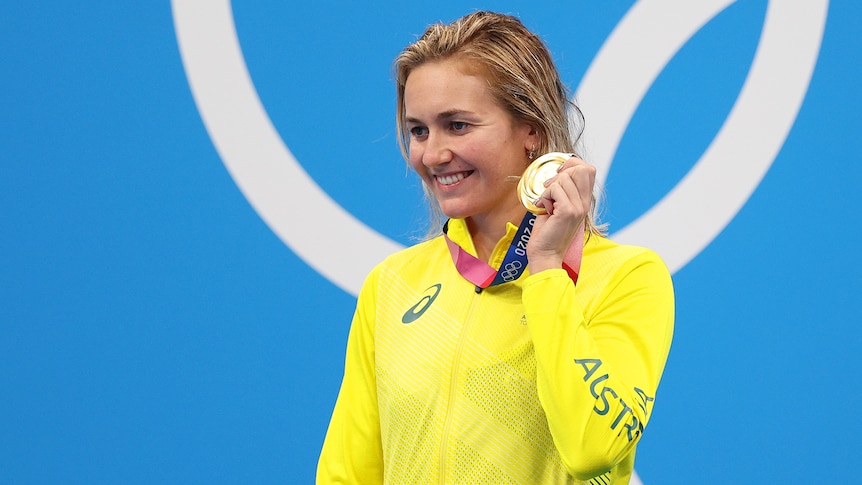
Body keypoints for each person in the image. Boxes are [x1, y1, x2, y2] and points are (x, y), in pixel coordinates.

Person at [317, 10, 674, 485]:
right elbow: (347, 472)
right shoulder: (393, 284)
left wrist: (546, 268)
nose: (432, 153)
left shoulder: (627, 277)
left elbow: (594, 448)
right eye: (418, 130)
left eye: (458, 125)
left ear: (531, 130)